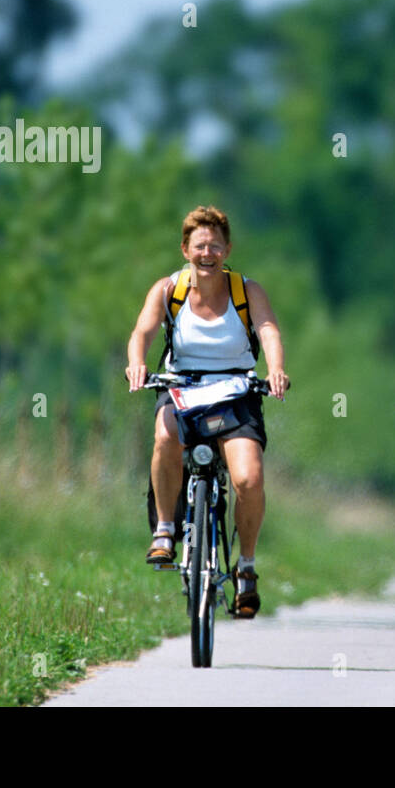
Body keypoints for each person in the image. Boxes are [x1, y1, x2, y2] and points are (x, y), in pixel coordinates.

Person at [125, 206, 289, 618]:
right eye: (200, 245)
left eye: (216, 245)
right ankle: (165, 530)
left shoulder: (246, 291)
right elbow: (142, 330)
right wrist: (137, 362)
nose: (208, 253)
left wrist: (276, 369)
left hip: (236, 390)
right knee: (165, 437)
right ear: (185, 249)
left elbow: (268, 330)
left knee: (248, 479)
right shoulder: (168, 290)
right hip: (182, 386)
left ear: (228, 248)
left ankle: (246, 567)